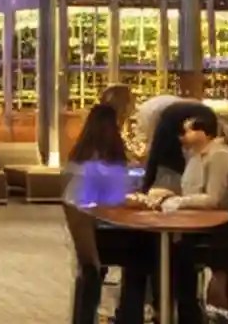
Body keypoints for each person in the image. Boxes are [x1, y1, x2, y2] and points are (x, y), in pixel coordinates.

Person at [159, 109, 228, 324]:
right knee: (180, 274)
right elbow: (194, 194)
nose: (183, 136)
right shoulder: (196, 156)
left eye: (189, 131)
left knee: (212, 288)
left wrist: (179, 202)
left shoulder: (220, 156)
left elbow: (213, 199)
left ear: (205, 133)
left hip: (222, 234)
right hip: (197, 231)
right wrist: (171, 195)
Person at [64, 104, 148, 324]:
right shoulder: (104, 159)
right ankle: (131, 316)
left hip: (87, 232)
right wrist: (138, 201)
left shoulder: (79, 155)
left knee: (95, 271)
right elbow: (115, 197)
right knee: (143, 256)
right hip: (103, 232)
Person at [142, 95, 216, 193]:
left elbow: (155, 152)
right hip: (204, 113)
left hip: (174, 119)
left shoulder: (163, 118)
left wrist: (145, 187)